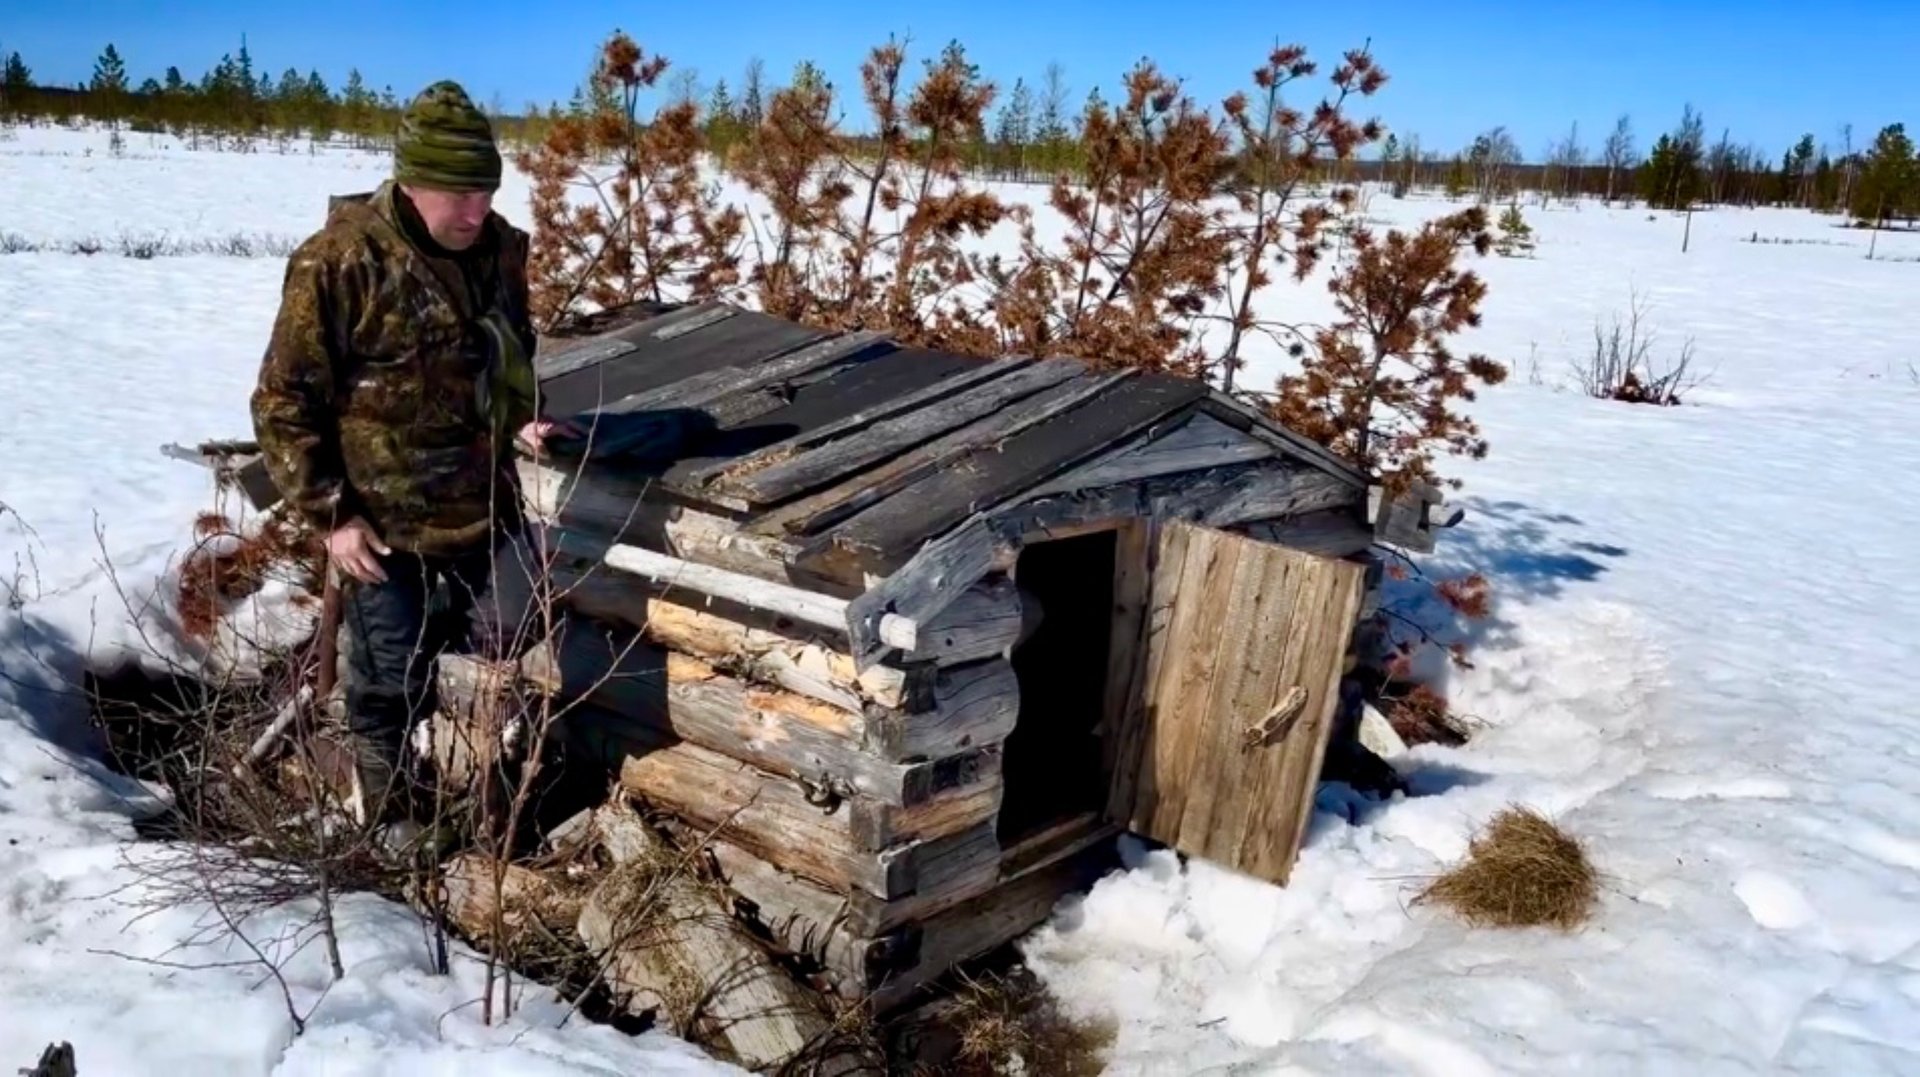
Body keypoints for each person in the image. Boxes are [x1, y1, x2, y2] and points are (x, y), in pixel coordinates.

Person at [250, 79, 571, 852]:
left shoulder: (496, 249)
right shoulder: (340, 262)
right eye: (458, 196)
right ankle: (390, 821)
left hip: (482, 504)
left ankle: (487, 781)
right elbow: (282, 402)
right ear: (410, 183)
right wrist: (333, 515)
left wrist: (520, 411)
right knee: (388, 680)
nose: (475, 211)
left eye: (486, 192)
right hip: (380, 526)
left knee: (520, 635)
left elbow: (506, 348)